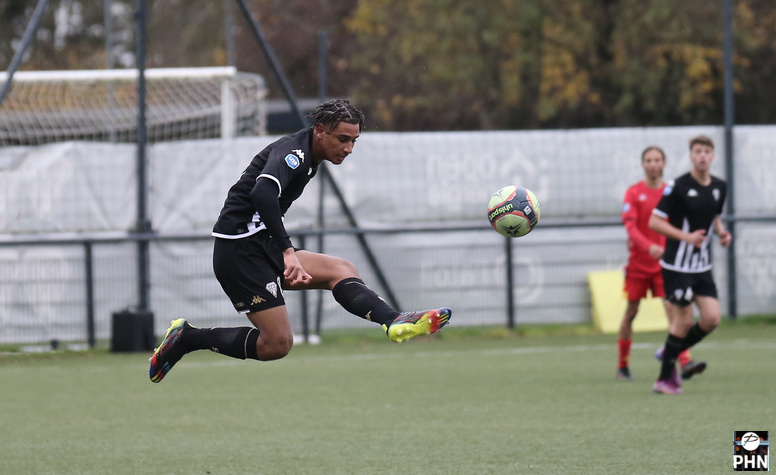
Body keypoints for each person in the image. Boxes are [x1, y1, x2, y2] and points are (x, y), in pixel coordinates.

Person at [148, 99, 451, 383]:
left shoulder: (308, 154)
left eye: (353, 141)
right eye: (342, 139)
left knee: (340, 269)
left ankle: (393, 320)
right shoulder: (294, 154)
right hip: (240, 251)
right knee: (277, 344)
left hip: (260, 242)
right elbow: (262, 193)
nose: (348, 148)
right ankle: (187, 338)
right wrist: (288, 253)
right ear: (320, 131)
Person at [648, 134, 731, 395]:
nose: (703, 156)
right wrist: (687, 237)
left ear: (712, 156)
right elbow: (655, 222)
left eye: (707, 151)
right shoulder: (678, 186)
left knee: (711, 319)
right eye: (698, 151)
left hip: (701, 266)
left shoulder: (719, 186)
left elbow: (713, 216)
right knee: (683, 321)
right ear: (691, 156)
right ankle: (664, 380)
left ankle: (672, 350)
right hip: (676, 266)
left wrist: (722, 232)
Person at [616, 146, 702, 381]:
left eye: (657, 160)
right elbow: (631, 227)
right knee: (631, 312)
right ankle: (622, 365)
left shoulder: (671, 192)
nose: (653, 164)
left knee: (674, 311)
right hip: (638, 264)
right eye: (648, 160)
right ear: (643, 164)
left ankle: (684, 361)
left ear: (664, 163)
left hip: (666, 265)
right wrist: (649, 247)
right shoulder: (633, 193)